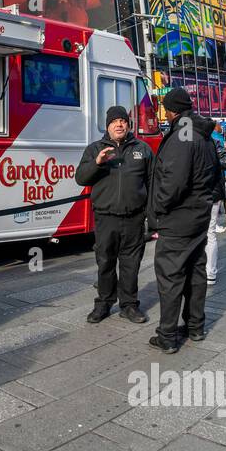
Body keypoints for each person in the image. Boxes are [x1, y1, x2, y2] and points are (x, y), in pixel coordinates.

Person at [147, 87, 220, 354]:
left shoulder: (182, 136)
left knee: (171, 276)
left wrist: (158, 209)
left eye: (165, 108)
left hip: (178, 218)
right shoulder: (204, 134)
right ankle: (195, 326)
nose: (164, 113)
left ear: (172, 110)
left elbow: (173, 183)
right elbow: (215, 178)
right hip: (199, 216)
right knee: (195, 272)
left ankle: (167, 335)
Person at [75, 105, 152, 324]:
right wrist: (97, 163)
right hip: (105, 217)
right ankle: (104, 304)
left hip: (134, 219)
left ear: (128, 125)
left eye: (123, 121)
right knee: (105, 262)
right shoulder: (94, 149)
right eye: (114, 121)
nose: (119, 124)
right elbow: (81, 178)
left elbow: (152, 182)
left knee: (131, 264)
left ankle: (129, 305)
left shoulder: (143, 149)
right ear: (107, 125)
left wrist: (150, 216)